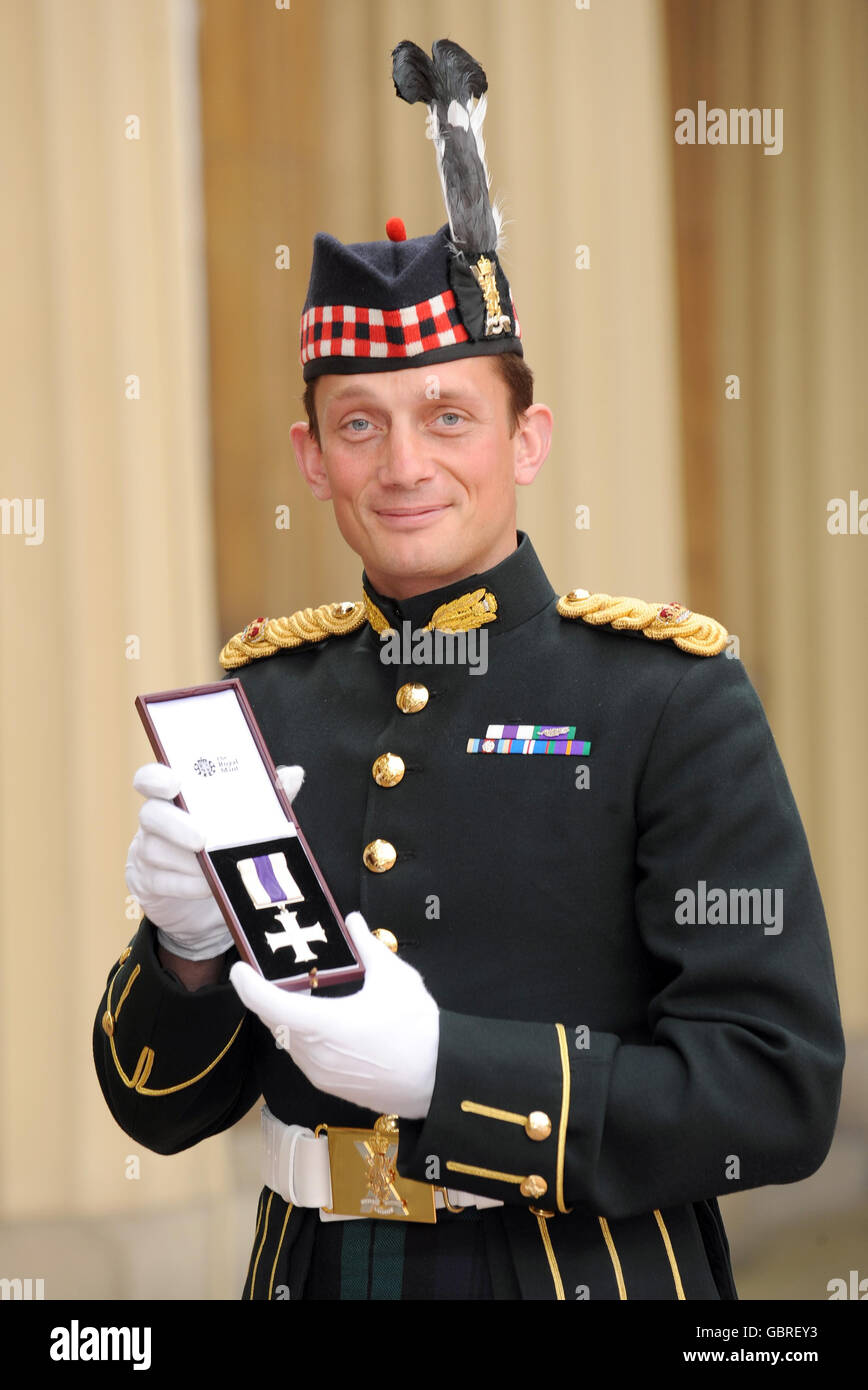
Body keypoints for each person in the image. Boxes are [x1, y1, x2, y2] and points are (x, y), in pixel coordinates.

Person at [93, 37, 845, 1301]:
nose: (403, 465)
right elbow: (161, 1113)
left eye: (450, 416)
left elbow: (772, 1093)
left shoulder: (665, 694)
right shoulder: (267, 700)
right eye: (360, 426)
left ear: (526, 438)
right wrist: (179, 953)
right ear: (311, 457)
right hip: (315, 1274)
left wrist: (452, 1069)